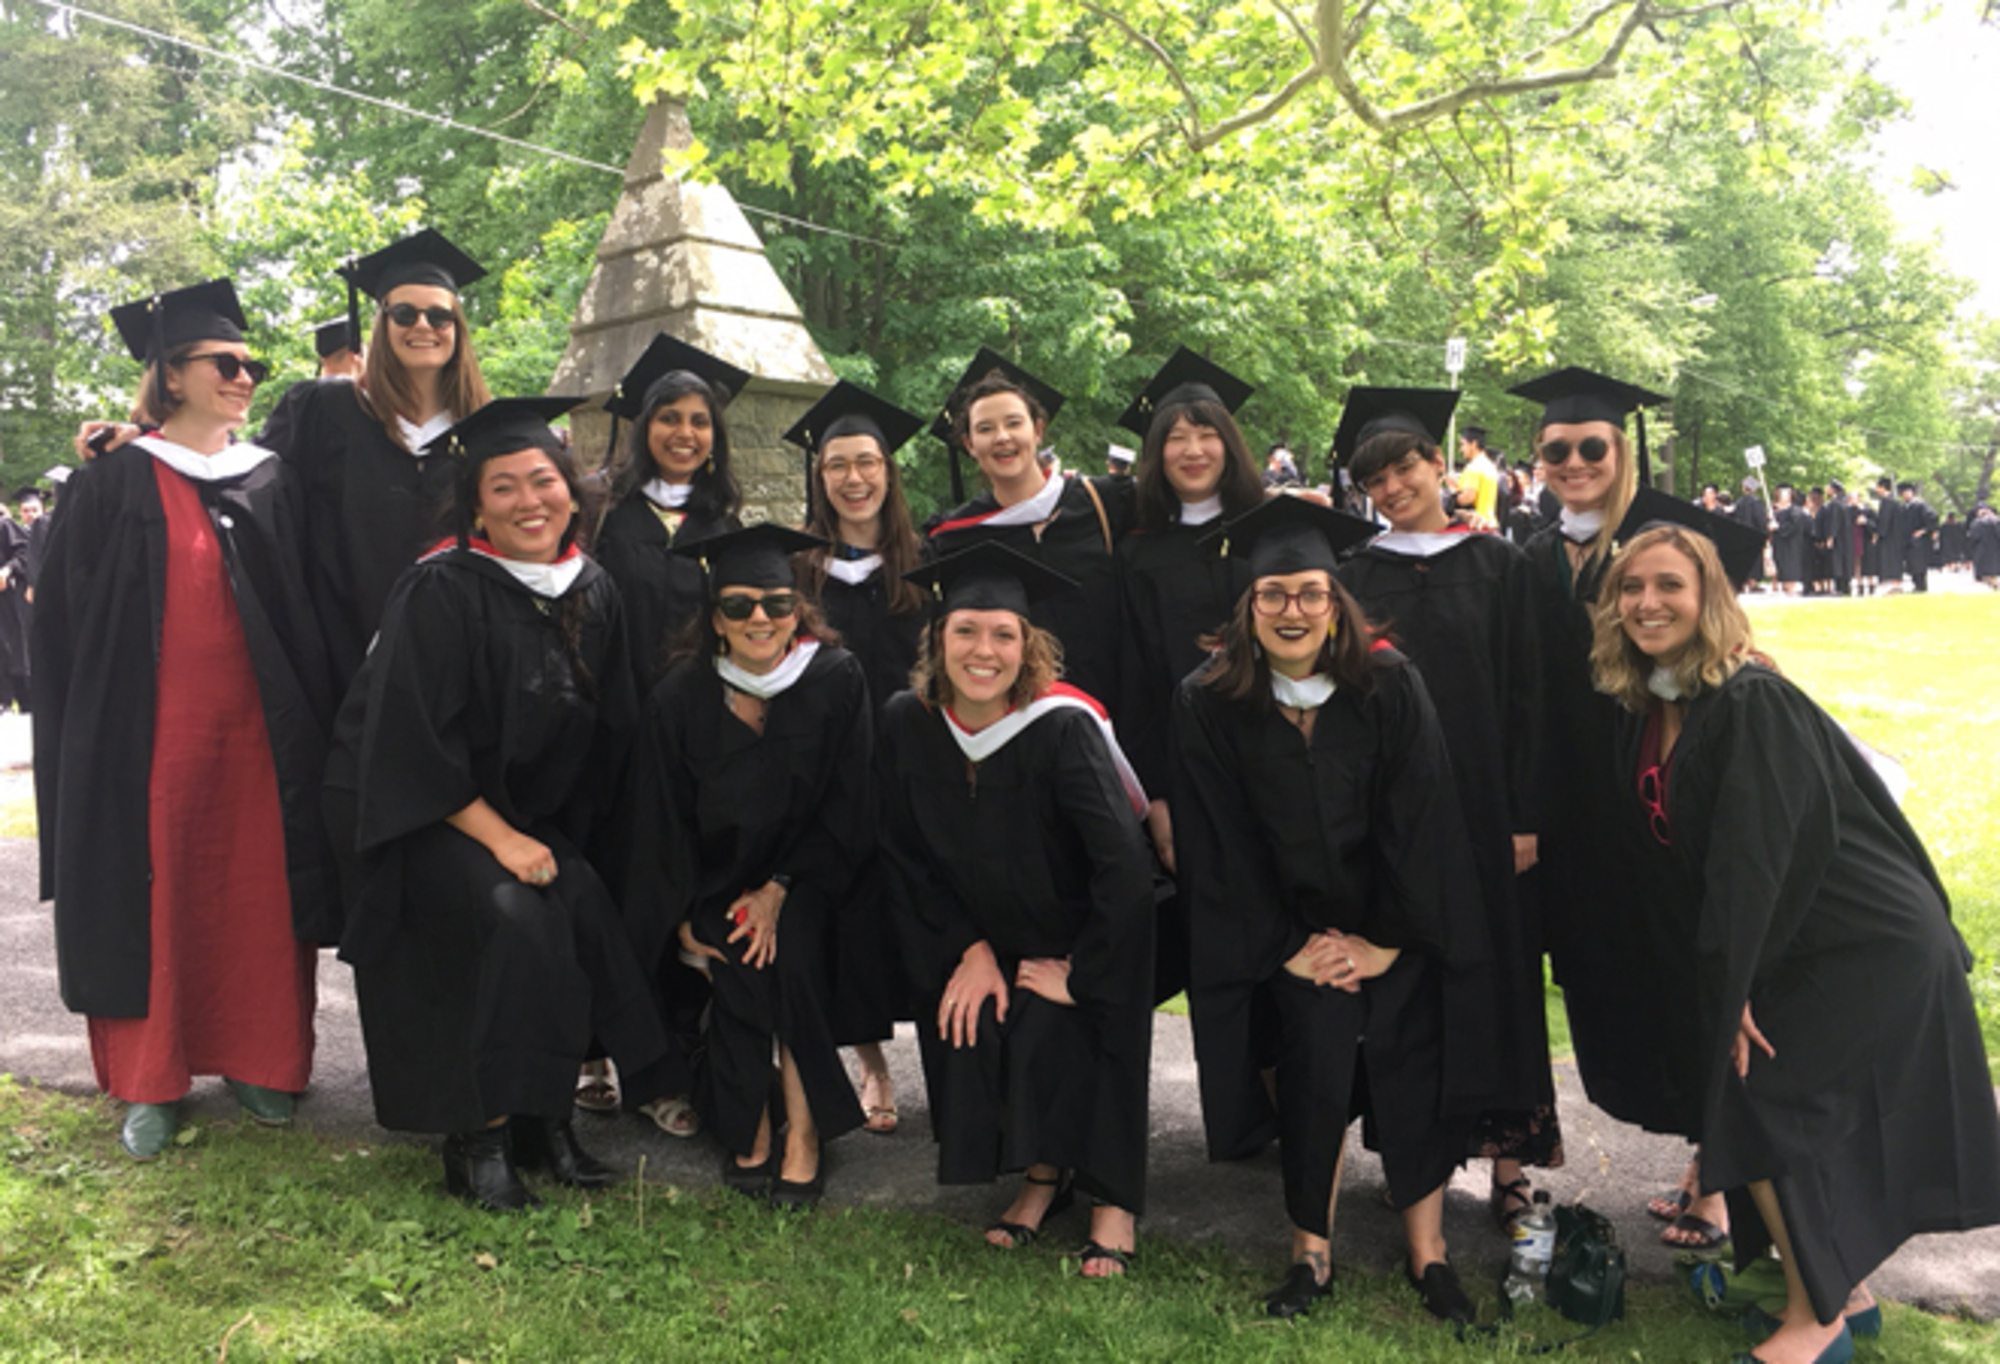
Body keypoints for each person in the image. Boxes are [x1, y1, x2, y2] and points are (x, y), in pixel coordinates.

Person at [1590, 517, 2000, 1364]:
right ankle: (1842, 1290)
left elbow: (1757, 857)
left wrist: (1734, 985)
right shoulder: (1660, 703)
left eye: (1670, 584)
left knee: (1759, 1096)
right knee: (1769, 1098)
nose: (1647, 601)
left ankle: (1815, 1327)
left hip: (1862, 937)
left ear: (1711, 599)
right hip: (1809, 931)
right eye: (1632, 587)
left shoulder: (1749, 698)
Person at [323, 397, 665, 1211]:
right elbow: (408, 743)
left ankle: (545, 1120)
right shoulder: (442, 588)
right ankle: (476, 1137)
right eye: (503, 487)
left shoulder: (593, 588)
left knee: (581, 901)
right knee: (514, 916)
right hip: (425, 816)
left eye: (542, 481)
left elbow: (611, 731)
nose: (528, 502)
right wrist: (503, 839)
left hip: (522, 815)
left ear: (570, 493)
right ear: (476, 504)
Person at [1174, 495, 1498, 1323]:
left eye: (1311, 593)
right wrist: (1289, 946)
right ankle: (1309, 1253)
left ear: (1335, 602)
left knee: (1408, 1037)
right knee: (1314, 1047)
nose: (1293, 610)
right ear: (1248, 605)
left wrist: (1387, 943)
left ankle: (1429, 1251)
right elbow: (1218, 840)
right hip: (1284, 933)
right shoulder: (1209, 699)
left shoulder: (1387, 684)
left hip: (1393, 922)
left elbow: (1422, 820)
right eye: (1274, 594)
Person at [34, 279, 338, 1159]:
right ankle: (148, 1079)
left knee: (257, 885)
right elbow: (63, 618)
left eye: (250, 364)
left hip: (262, 729)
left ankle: (259, 1056)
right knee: (153, 889)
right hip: (147, 730)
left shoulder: (270, 478)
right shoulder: (115, 480)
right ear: (169, 375)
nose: (244, 376)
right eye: (225, 363)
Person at [880, 542, 1155, 1277]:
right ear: (938, 639)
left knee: (1077, 1018)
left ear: (1028, 646)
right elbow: (903, 853)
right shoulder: (909, 722)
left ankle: (1112, 1201)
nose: (983, 650)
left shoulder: (1060, 728)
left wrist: (1086, 970)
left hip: (1095, 932)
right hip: (991, 935)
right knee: (974, 1013)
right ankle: (1041, 1177)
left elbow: (1124, 869)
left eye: (1004, 634)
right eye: (965, 630)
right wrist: (966, 948)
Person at [1331, 388, 1563, 1234]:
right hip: (1395, 819)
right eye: (1375, 479)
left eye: (1404, 468)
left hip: (1489, 811)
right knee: (1407, 986)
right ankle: (1414, 1159)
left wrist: (1527, 816)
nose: (1392, 487)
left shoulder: (1501, 564)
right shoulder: (1355, 576)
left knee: (1500, 981)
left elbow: (1531, 696)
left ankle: (1510, 1170)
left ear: (1440, 464)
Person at [1508, 368, 1728, 1245]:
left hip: (1654, 798)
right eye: (1556, 450)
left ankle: (1717, 1173)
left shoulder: (1659, 545)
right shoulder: (1528, 556)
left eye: (1591, 446)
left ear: (1621, 450)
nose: (1574, 462)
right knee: (1608, 984)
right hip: (1566, 815)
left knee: (1691, 981)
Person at [621, 523, 873, 1209]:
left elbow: (849, 804)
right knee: (735, 941)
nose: (759, 618)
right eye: (738, 606)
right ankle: (760, 1120)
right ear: (714, 621)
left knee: (786, 947)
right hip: (711, 882)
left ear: (799, 611)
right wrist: (677, 918)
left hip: (815, 876)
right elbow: (660, 818)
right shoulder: (680, 696)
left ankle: (795, 1134)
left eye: (776, 603)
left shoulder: (834, 679)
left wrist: (782, 888)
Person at [582, 334, 750, 1130]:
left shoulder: (724, 521)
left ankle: (667, 1071)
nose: (687, 433)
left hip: (694, 742)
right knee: (620, 898)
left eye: (701, 422)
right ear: (644, 423)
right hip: (615, 741)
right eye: (671, 418)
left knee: (679, 898)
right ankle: (596, 1053)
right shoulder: (605, 512)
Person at [786, 381, 930, 1137]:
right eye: (837, 465)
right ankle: (872, 1064)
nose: (853, 477)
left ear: (888, 471)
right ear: (821, 477)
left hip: (915, 773)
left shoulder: (925, 566)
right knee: (851, 923)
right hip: (834, 774)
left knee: (920, 916)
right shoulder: (799, 571)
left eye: (867, 462)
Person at [1112, 348, 1265, 892]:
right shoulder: (1138, 554)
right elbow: (1135, 683)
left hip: (1278, 765)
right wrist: (1155, 796)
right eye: (1176, 437)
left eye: (1206, 434)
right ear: (1157, 452)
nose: (1193, 450)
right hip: (1183, 774)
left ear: (1229, 443)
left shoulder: (1271, 536)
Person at [925, 349, 1134, 712]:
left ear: (1037, 430)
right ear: (970, 446)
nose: (1002, 437)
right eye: (985, 429)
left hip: (1121, 711)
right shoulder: (954, 538)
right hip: (1017, 725)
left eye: (1013, 423)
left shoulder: (1103, 503)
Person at [1898, 481, 1937, 593]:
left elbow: (1933, 518)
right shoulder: (1903, 507)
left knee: (1919, 564)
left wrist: (1924, 531)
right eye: (1903, 493)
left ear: (1912, 493)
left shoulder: (1920, 505)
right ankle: (1916, 585)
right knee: (1911, 564)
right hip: (1908, 540)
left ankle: (1921, 586)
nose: (1905, 495)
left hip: (1920, 541)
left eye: (1907, 492)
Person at [1771, 485, 1809, 596]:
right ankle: (1784, 587)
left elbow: (1794, 525)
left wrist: (1779, 528)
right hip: (1779, 543)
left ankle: (1790, 588)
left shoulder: (1795, 510)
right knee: (1780, 563)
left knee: (1790, 565)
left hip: (1791, 543)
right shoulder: (1775, 510)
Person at [1969, 504, 2000, 588]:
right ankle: (1994, 582)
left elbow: (1973, 538)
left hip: (1982, 550)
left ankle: (1993, 583)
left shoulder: (1976, 523)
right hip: (1996, 549)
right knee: (1994, 569)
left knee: (1985, 571)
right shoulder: (1997, 521)